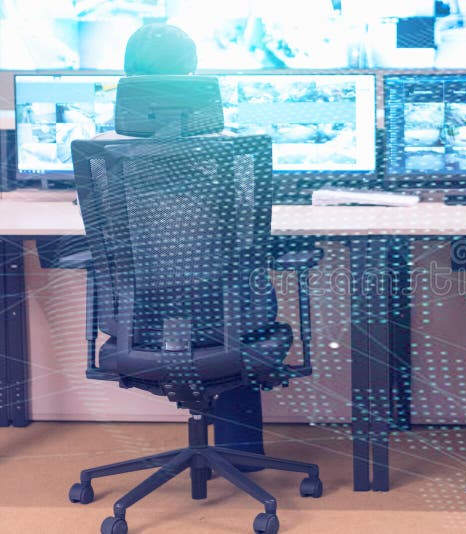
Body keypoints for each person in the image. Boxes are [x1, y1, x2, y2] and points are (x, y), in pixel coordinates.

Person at [106, 23, 271, 462]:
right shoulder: (228, 156)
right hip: (223, 320)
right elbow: (247, 231)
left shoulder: (107, 158)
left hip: (138, 323)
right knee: (232, 298)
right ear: (195, 75)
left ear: (126, 76)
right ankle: (242, 456)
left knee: (222, 300)